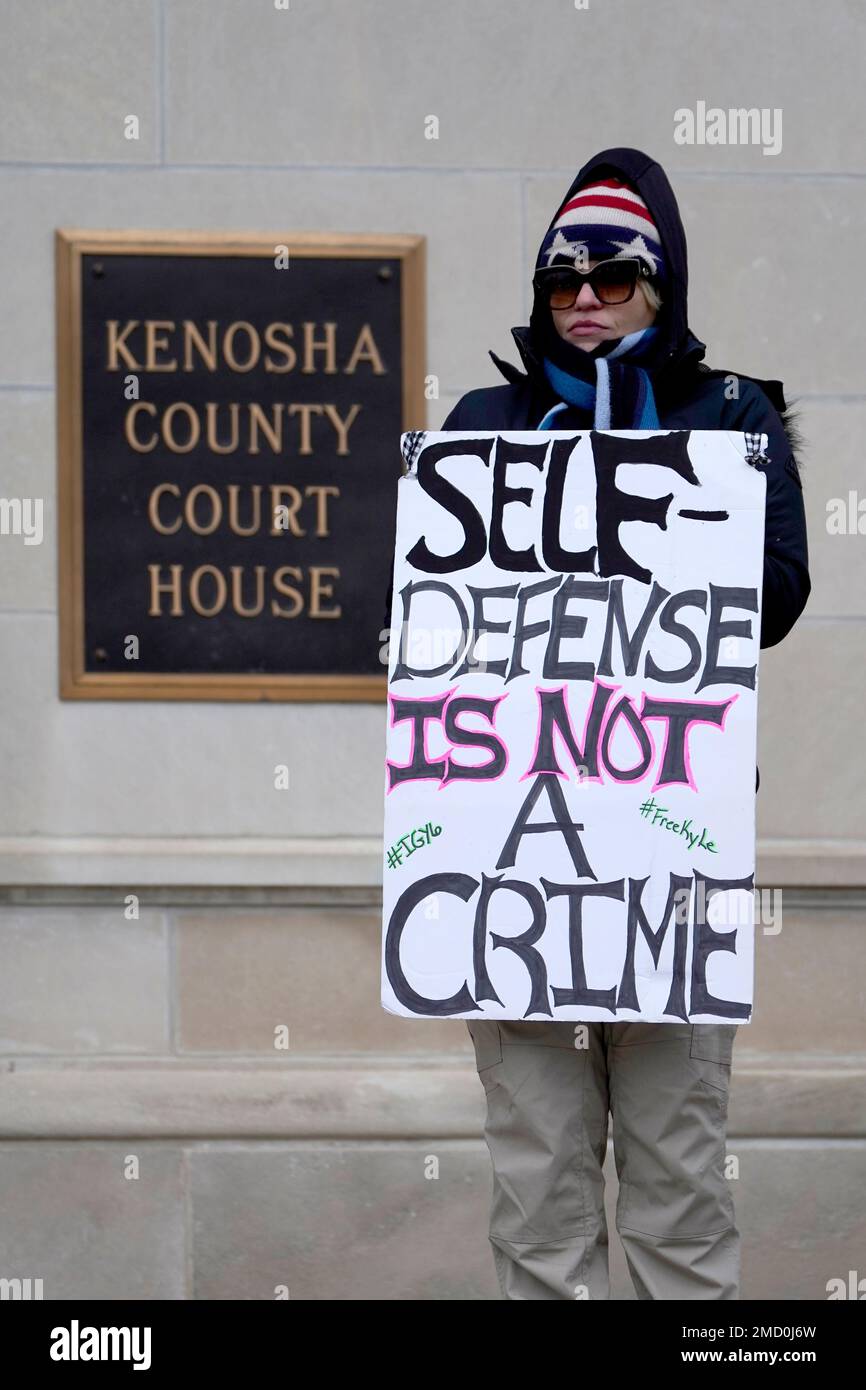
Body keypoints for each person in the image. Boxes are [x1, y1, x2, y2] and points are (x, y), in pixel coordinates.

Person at [425, 147, 811, 1300]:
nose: (584, 298)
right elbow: (420, 603)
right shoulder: (482, 422)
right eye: (560, 280)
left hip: (663, 855)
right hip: (515, 857)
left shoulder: (727, 413)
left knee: (678, 1182)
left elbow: (780, 589)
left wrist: (640, 488)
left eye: (612, 274)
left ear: (663, 284)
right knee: (536, 1184)